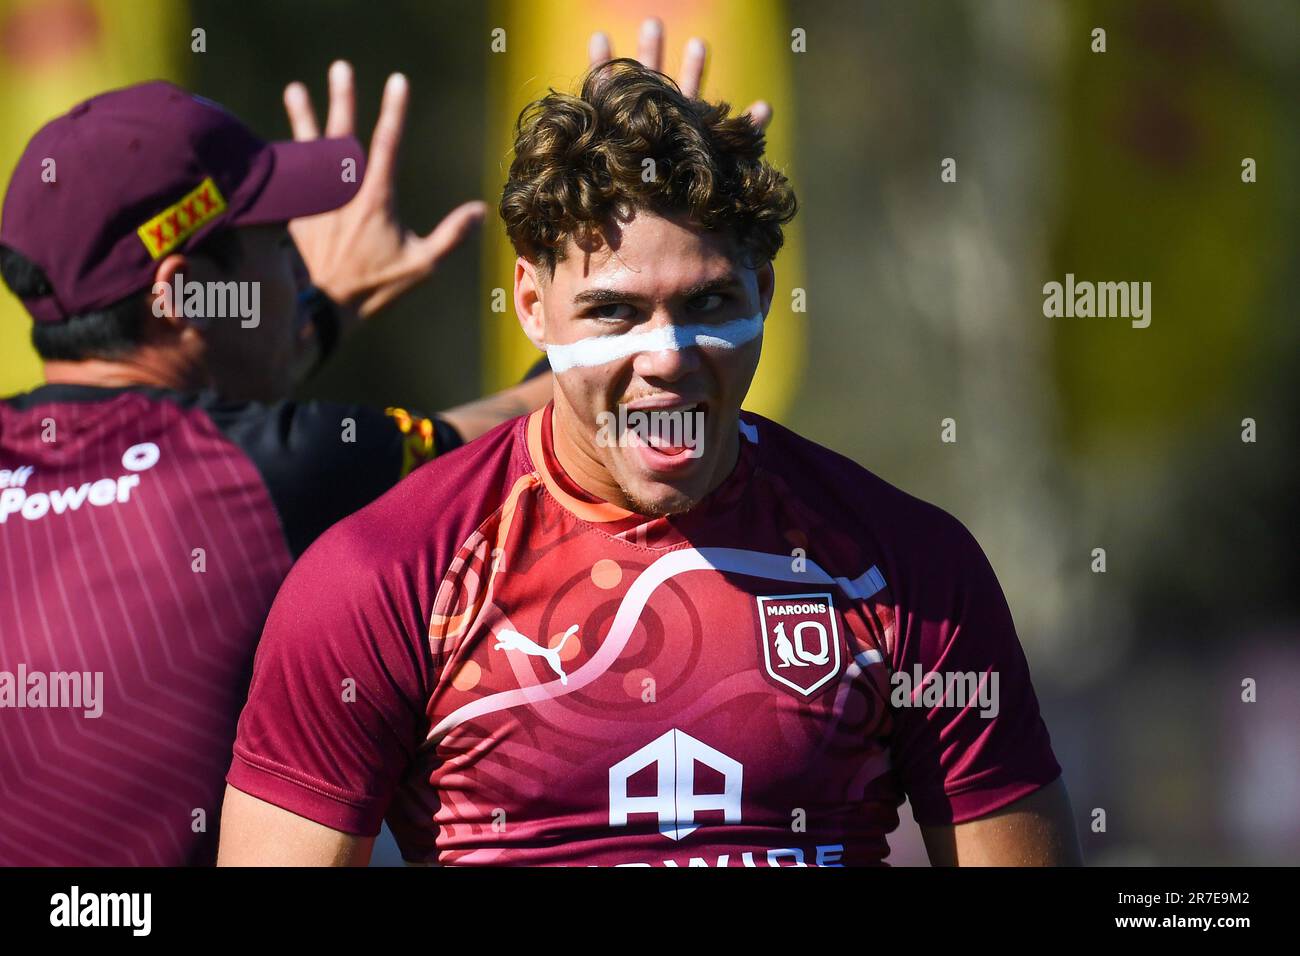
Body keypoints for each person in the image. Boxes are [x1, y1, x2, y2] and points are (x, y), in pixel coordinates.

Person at [217, 53, 1082, 866]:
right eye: (614, 313)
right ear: (531, 305)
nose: (668, 355)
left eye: (710, 301)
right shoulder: (382, 576)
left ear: (767, 295)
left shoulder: (910, 567)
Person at [0, 65, 549, 865]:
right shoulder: (272, 473)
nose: (298, 273)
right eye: (280, 245)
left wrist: (312, 316)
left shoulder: (252, 461)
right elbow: (562, 412)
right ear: (185, 295)